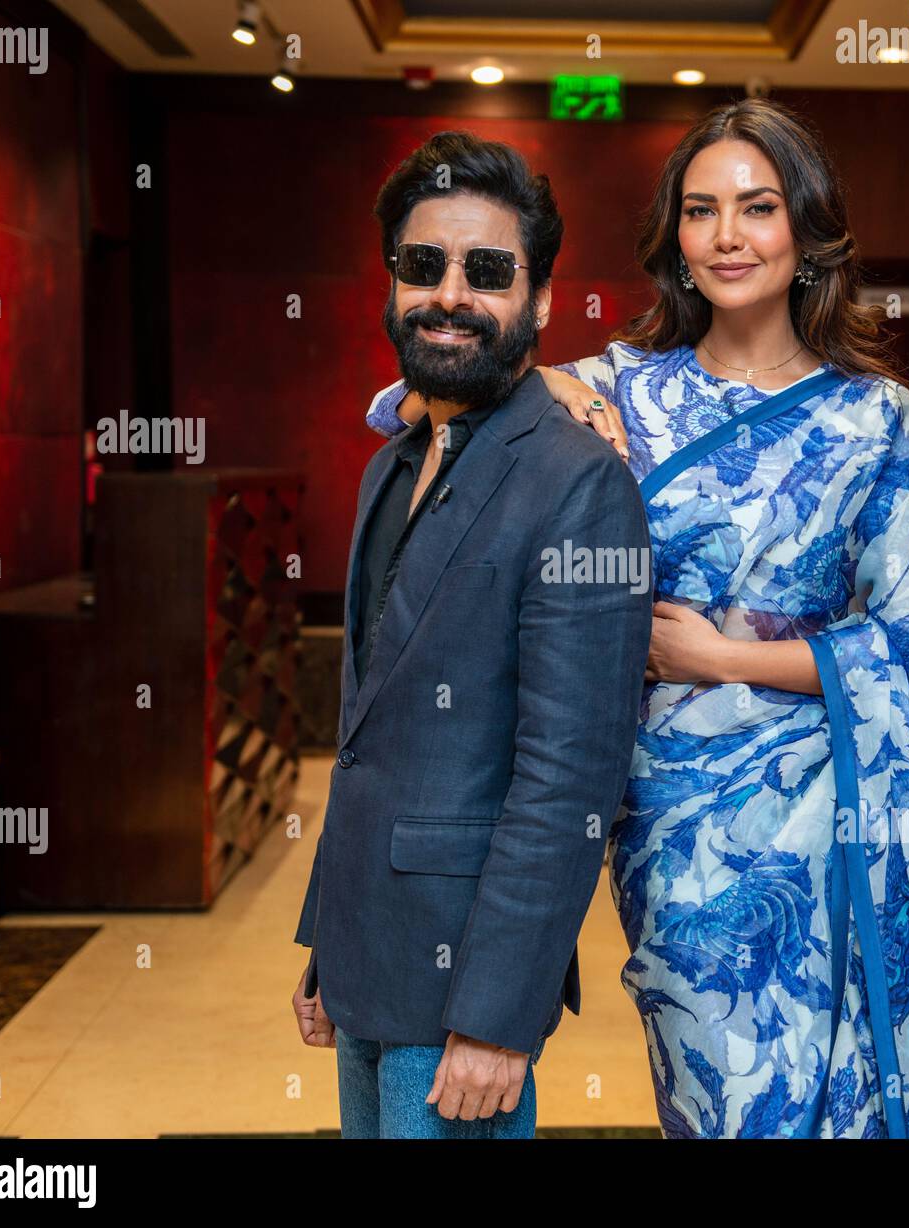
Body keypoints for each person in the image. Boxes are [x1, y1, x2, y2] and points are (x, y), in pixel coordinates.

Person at [368, 99, 909, 1138]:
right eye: (701, 210)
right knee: (719, 1085)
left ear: (804, 230)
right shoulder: (623, 387)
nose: (727, 236)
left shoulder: (874, 417)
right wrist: (538, 391)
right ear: (675, 235)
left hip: (831, 811)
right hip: (672, 814)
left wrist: (722, 653)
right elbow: (422, 395)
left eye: (757, 208)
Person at [291, 131, 653, 1140]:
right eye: (422, 266)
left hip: (464, 1000)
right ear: (393, 285)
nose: (448, 294)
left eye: (486, 271)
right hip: (372, 961)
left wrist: (498, 1017)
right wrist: (331, 940)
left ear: (538, 302)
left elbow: (570, 777)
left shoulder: (582, 483)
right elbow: (371, 737)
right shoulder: (389, 466)